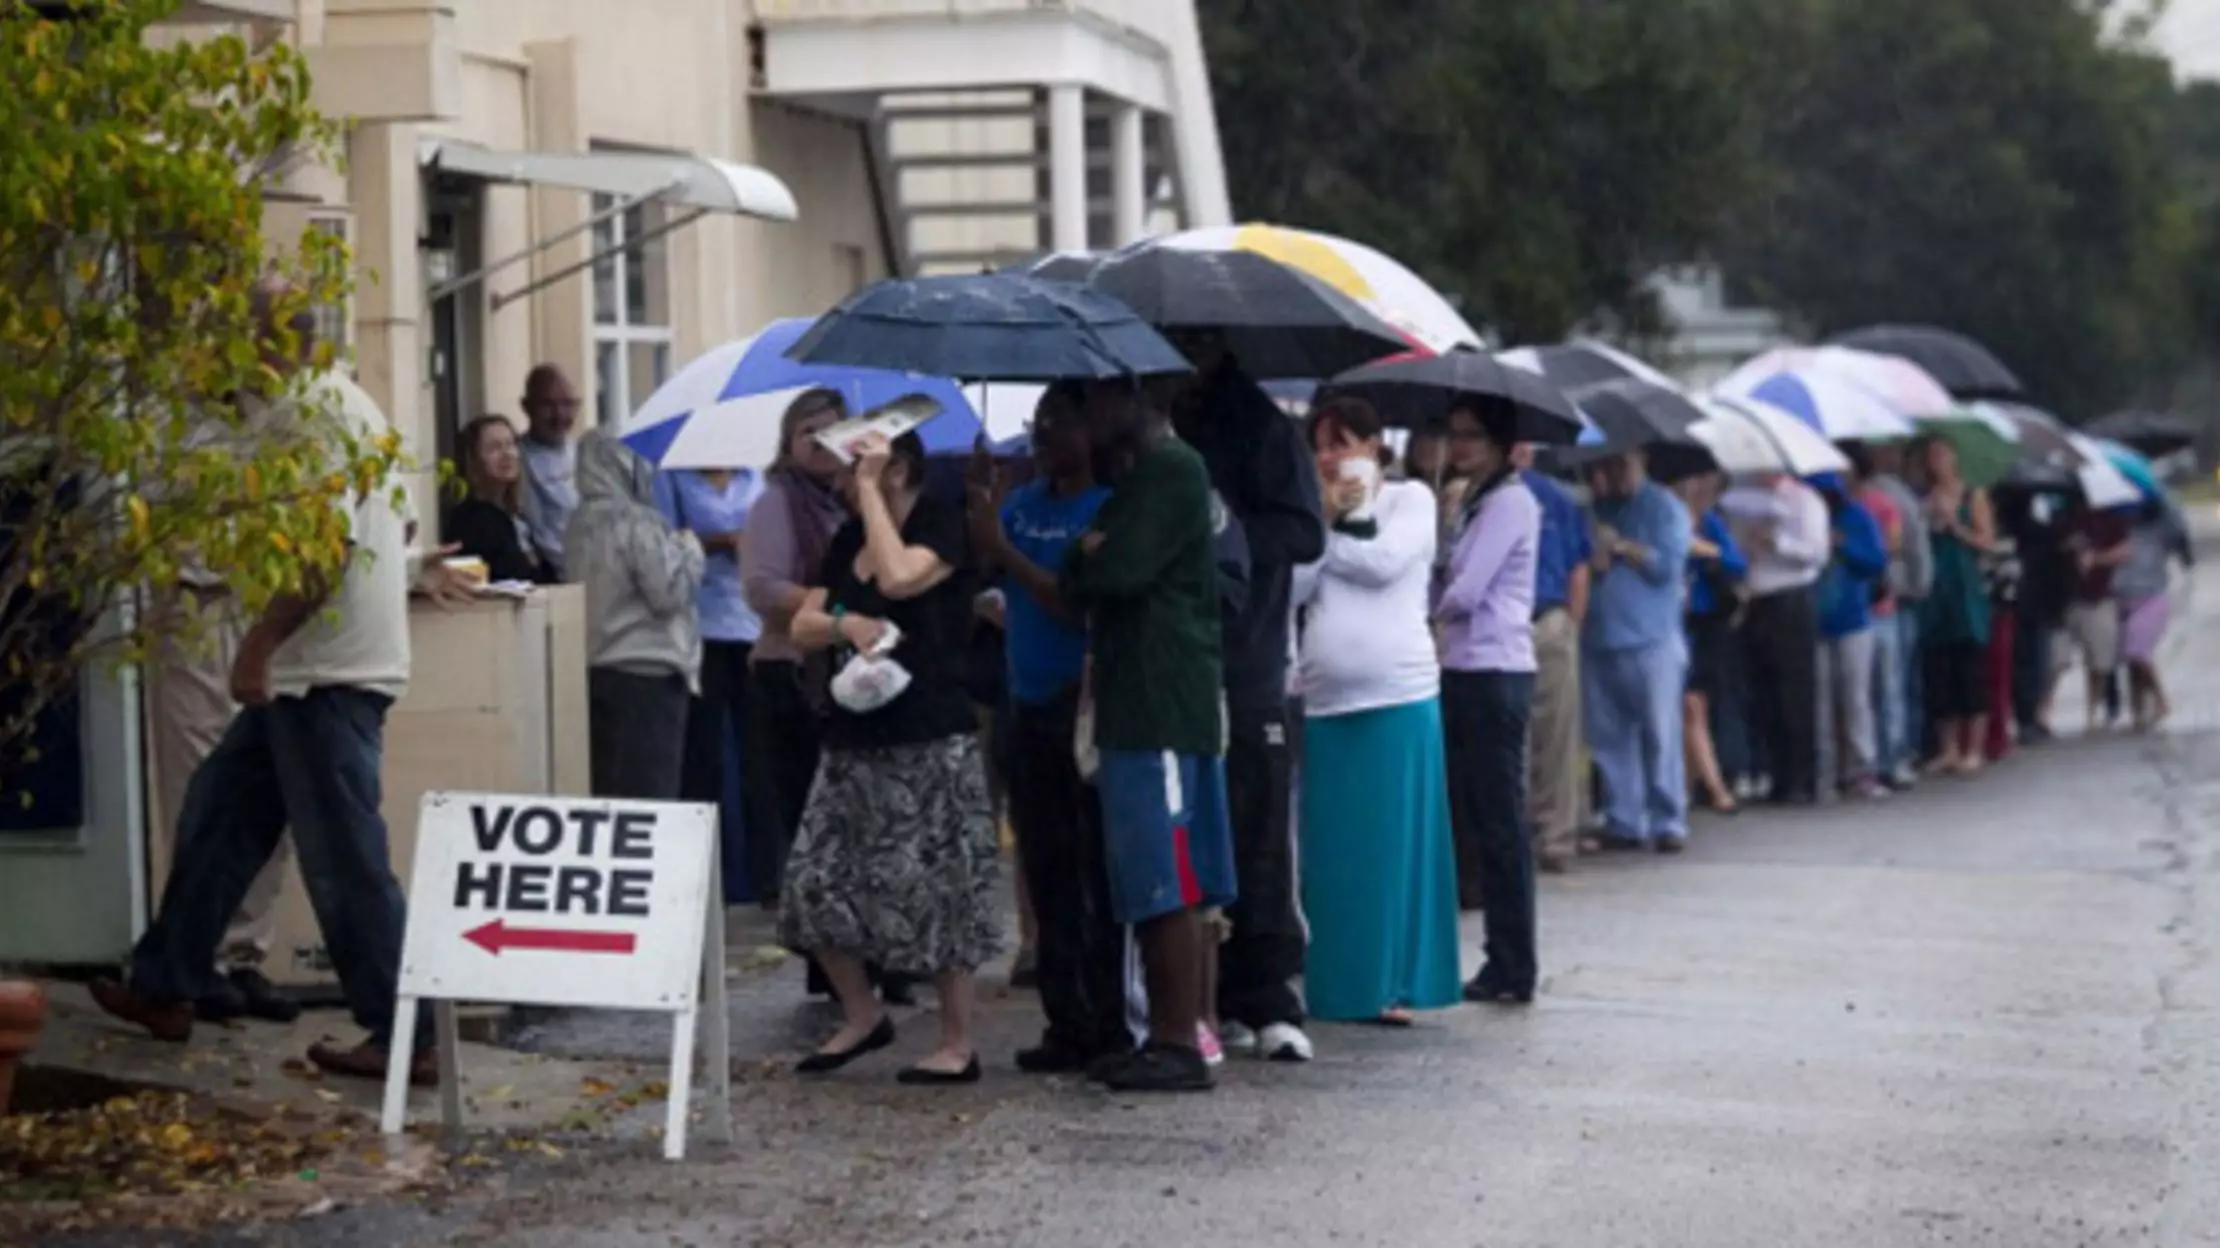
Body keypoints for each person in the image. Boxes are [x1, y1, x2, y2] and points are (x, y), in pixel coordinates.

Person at [93, 281, 474, 1082]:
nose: (225, 358)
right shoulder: (341, 403)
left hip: (323, 675)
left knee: (343, 861)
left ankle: (408, 1034)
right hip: (321, 670)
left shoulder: (304, 415)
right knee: (218, 817)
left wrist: (254, 647)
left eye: (235, 338)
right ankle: (166, 982)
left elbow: (323, 552)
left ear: (269, 342)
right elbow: (387, 529)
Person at [782, 430, 997, 1085]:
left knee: (938, 889)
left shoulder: (942, 525)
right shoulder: (849, 540)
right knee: (814, 880)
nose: (841, 482)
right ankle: (861, 1013)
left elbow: (902, 578)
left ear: (896, 470)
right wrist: (846, 623)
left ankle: (956, 1041)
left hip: (930, 732)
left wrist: (874, 490)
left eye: (854, 469)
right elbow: (802, 624)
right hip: (855, 734)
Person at [1060, 381, 1238, 1092]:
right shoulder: (1138, 477)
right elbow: (1082, 570)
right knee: (1148, 874)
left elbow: (1118, 569)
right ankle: (1162, 1033)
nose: (1085, 423)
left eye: (1091, 406)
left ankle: (1177, 1039)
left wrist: (1092, 554)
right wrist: (1087, 553)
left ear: (1131, 402)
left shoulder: (1171, 469)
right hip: (1140, 703)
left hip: (1159, 704)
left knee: (1170, 875)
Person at [1164, 330, 1325, 1065]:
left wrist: (1222, 525)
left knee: (1260, 836)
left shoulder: (1262, 426)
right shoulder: (1159, 417)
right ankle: (1207, 997)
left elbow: (1304, 533)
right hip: (1178, 657)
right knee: (1191, 842)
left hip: (1251, 660)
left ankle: (1271, 997)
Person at [965, 385, 1127, 1072]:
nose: (1043, 437)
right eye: (1038, 424)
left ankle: (1108, 1017)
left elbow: (1071, 605)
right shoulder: (1022, 503)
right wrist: (983, 514)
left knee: (1092, 868)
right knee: (1045, 868)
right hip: (1022, 702)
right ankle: (1064, 1019)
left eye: (1059, 424)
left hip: (1079, 705)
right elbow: (986, 571)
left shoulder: (1107, 507)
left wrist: (1004, 550)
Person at [1290, 397, 1458, 1024]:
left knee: (1393, 848)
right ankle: (1338, 984)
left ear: (1375, 444)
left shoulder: (1409, 500)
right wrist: (1321, 521)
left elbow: (1383, 564)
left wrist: (1334, 526)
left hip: (1398, 692)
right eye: (1322, 445)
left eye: (1344, 442)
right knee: (1334, 851)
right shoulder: (1315, 506)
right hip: (1328, 698)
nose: (1332, 456)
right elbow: (1297, 584)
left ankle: (1393, 982)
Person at [1432, 403, 1540, 1004]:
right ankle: (1498, 954)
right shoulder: (1473, 501)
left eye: (1473, 437)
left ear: (1500, 445)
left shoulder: (1508, 502)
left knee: (1501, 820)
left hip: (1494, 667)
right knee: (1474, 816)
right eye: (1455, 435)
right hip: (1464, 666)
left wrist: (1428, 604)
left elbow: (1466, 589)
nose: (1460, 447)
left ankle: (1513, 961)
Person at [567, 431, 705, 800]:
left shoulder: (577, 524)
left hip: (594, 669)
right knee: (650, 799)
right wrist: (690, 550)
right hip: (648, 673)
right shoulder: (638, 521)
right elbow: (669, 594)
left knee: (607, 794)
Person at [656, 464, 766, 903]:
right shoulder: (674, 478)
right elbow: (666, 543)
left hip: (752, 624)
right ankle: (707, 876)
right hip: (700, 626)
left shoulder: (753, 477)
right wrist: (719, 542)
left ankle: (764, 877)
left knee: (758, 755)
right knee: (705, 758)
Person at [1581, 451, 1694, 851]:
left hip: (1652, 639)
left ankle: (1668, 820)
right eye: (1605, 466)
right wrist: (1597, 553)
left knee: (1661, 733)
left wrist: (1625, 546)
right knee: (1609, 736)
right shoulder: (1596, 509)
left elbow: (1667, 567)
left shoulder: (1664, 507)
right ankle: (1623, 818)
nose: (1611, 474)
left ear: (1641, 461)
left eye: (1620, 465)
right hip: (1600, 636)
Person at [1721, 471, 1829, 805]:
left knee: (1794, 691)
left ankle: (1802, 777)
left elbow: (1816, 553)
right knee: (1762, 689)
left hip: (1790, 594)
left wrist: (1778, 542)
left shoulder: (1803, 500)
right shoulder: (1740, 500)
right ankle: (1773, 770)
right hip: (1757, 596)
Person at [1518, 445, 1593, 872]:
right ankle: (1539, 832)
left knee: (1556, 733)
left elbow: (1577, 567)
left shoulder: (1556, 498)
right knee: (1539, 735)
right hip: (1515, 621)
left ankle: (1556, 835)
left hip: (1546, 616)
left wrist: (1570, 625)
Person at [1915, 437, 1997, 774]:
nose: (1937, 462)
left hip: (1964, 588)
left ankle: (1974, 747)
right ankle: (1947, 747)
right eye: (1932, 456)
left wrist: (1955, 525)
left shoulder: (1972, 495)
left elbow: (1987, 542)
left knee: (1970, 671)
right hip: (1936, 590)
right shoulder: (1925, 498)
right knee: (1939, 672)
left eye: (1943, 455)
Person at [1811, 474, 1891, 800]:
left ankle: (1862, 769)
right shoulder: (1808, 514)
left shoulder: (1858, 517)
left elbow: (1876, 561)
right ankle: (1825, 771)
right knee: (1822, 701)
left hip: (1854, 618)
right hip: (1816, 621)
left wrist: (1843, 544)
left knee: (1855, 698)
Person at [1849, 442, 1921, 788]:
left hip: (1880, 604)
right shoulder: (1835, 507)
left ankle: (1894, 756)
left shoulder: (1882, 504)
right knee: (1861, 692)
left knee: (1888, 686)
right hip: (1852, 605)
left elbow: (1892, 546)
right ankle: (1868, 762)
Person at [1675, 472, 1746, 815]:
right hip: (1673, 620)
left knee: (1694, 706)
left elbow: (1736, 563)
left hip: (1704, 622)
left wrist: (1706, 551)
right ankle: (1703, 785)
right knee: (1689, 709)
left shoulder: (1710, 524)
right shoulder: (1664, 519)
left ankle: (1709, 785)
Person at [2053, 497, 2134, 735]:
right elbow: (2052, 546)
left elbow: (2125, 550)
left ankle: (2093, 711)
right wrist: (2069, 548)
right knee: (2057, 659)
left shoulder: (2110, 519)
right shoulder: (2062, 515)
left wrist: (2097, 559)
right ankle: (2044, 709)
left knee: (2100, 659)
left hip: (2099, 595)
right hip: (2065, 596)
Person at [446, 416, 556, 584]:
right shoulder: (472, 520)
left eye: (511, 444)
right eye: (494, 448)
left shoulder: (517, 516)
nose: (507, 454)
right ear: (473, 459)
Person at [2115, 496, 2190, 731]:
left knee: (2138, 652)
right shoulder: (2118, 530)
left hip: (2151, 597)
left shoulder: (2159, 529)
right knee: (2131, 660)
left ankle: (2161, 699)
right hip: (2122, 597)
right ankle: (2138, 712)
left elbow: (2179, 534)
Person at [518, 364, 583, 580]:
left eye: (567, 404)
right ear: (526, 407)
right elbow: (536, 533)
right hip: (554, 578)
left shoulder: (583, 454)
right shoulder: (518, 458)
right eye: (548, 405)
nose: (559, 415)